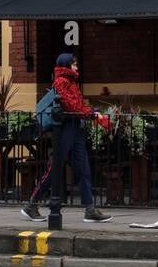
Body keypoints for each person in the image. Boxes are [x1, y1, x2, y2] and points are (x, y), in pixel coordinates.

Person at [21, 53, 113, 223]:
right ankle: (31, 205)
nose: (77, 67)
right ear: (66, 65)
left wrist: (91, 114)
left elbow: (78, 106)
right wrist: (92, 115)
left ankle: (89, 209)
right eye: (74, 64)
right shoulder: (61, 82)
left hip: (75, 128)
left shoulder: (72, 82)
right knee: (54, 168)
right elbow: (72, 106)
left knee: (84, 168)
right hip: (63, 129)